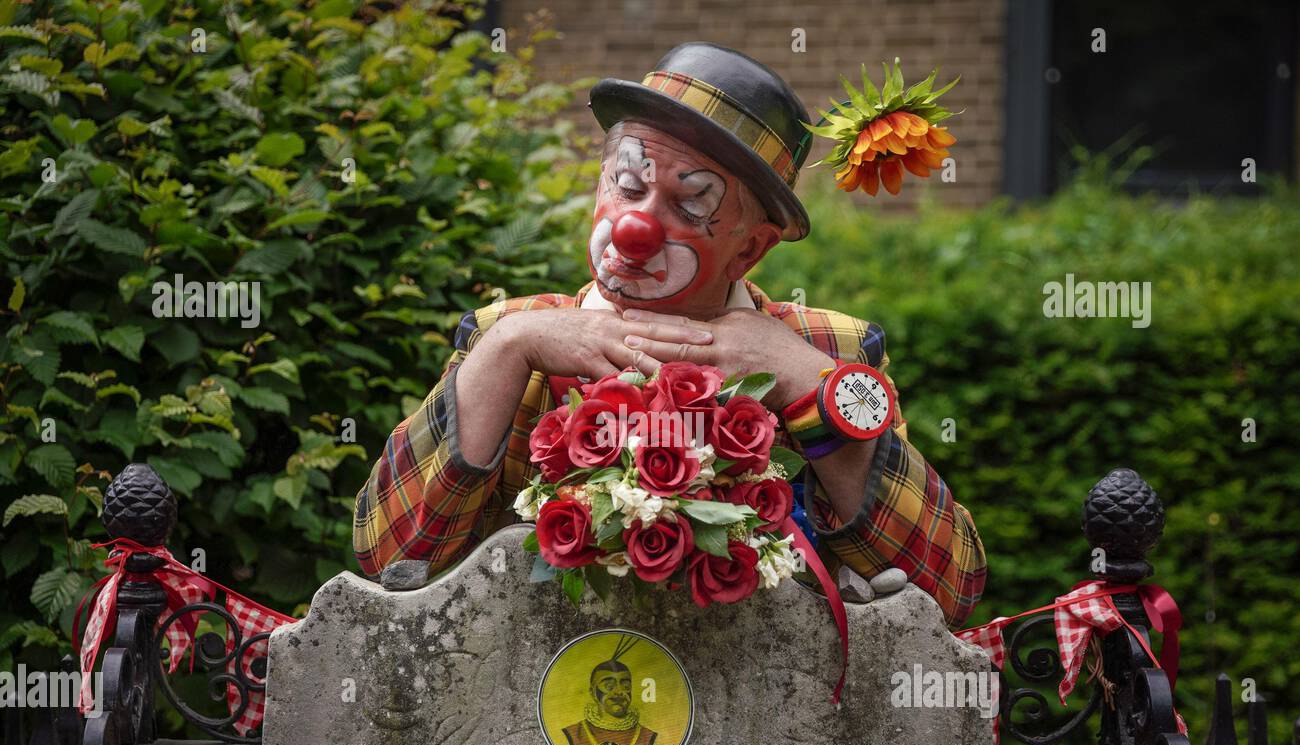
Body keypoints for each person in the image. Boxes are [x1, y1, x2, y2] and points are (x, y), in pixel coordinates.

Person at [353, 42, 986, 627]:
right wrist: (507, 349)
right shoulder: (505, 335)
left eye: (688, 206)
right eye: (628, 186)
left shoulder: (835, 352)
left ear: (751, 251)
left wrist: (803, 378)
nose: (636, 227)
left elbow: (945, 591)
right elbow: (391, 558)